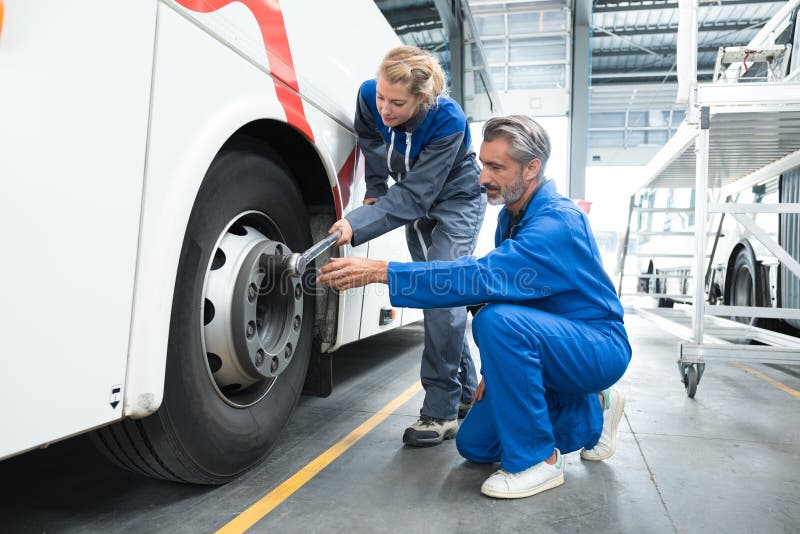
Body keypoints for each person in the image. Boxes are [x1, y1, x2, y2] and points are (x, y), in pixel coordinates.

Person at [317, 115, 631, 499]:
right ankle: (594, 410)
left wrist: (384, 271)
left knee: (497, 322)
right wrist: (499, 368)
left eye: (496, 167)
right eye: (483, 164)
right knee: (475, 445)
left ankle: (537, 461)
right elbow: (506, 291)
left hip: (596, 346)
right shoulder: (512, 216)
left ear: (532, 168)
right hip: (551, 342)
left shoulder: (557, 223)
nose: (482, 178)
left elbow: (481, 278)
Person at [328, 45, 487, 447]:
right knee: (439, 303)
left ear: (422, 98)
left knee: (440, 290)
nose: (384, 108)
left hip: (455, 200)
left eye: (397, 103)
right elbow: (369, 135)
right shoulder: (369, 96)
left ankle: (440, 411)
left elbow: (416, 197)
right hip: (413, 197)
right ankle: (465, 394)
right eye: (382, 97)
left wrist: (356, 224)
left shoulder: (447, 119)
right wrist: (376, 187)